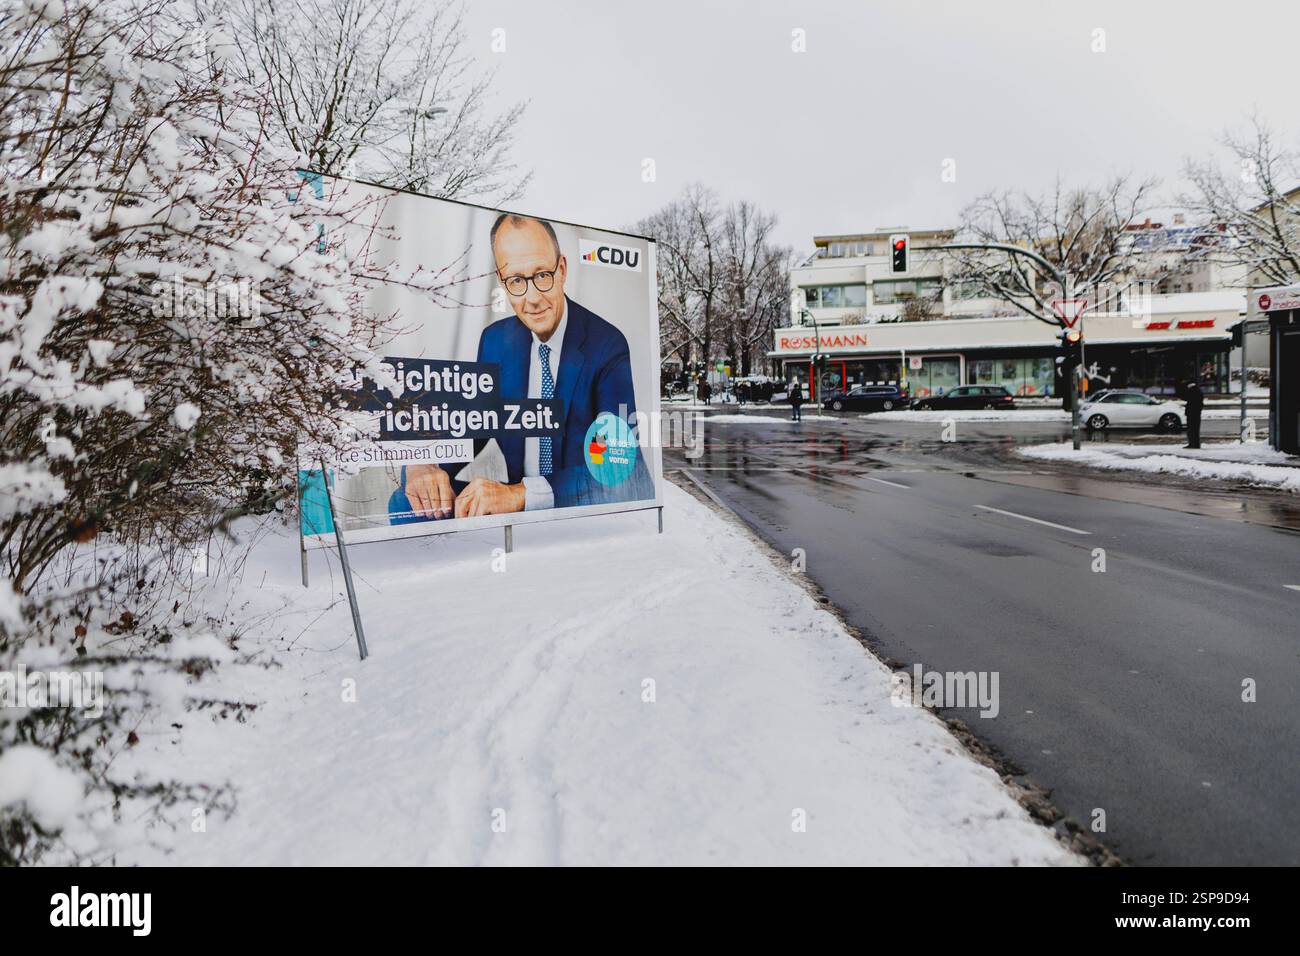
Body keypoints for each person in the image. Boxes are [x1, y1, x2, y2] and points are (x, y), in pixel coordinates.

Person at [392, 212, 651, 520]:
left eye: (542, 275)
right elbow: (471, 426)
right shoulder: (495, 341)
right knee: (408, 502)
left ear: (563, 269)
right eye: (516, 281)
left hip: (580, 506)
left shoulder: (607, 345)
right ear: (502, 282)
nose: (532, 299)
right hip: (520, 508)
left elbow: (618, 466)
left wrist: (520, 494)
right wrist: (426, 462)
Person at [1184, 379, 1203, 449]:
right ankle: (1196, 444)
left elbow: (1188, 400)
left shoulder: (1191, 391)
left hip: (1191, 413)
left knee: (1191, 430)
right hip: (1197, 413)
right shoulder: (1198, 391)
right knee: (1195, 430)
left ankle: (1192, 444)